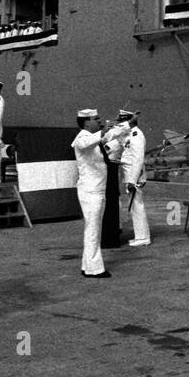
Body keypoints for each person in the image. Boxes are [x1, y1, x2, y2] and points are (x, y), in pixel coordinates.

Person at [71, 109, 112, 279]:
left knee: (93, 228)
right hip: (90, 190)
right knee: (93, 229)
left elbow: (108, 144)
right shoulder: (82, 137)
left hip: (97, 188)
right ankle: (95, 268)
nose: (100, 121)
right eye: (96, 119)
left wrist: (125, 126)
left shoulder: (93, 139)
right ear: (86, 122)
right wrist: (103, 132)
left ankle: (87, 265)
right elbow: (83, 144)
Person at [118, 108, 151, 247]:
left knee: (137, 206)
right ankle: (140, 236)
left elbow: (138, 159)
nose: (119, 123)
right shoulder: (129, 134)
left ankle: (143, 237)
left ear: (128, 121)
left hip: (134, 176)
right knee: (134, 207)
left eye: (121, 121)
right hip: (130, 175)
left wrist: (132, 180)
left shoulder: (137, 135)